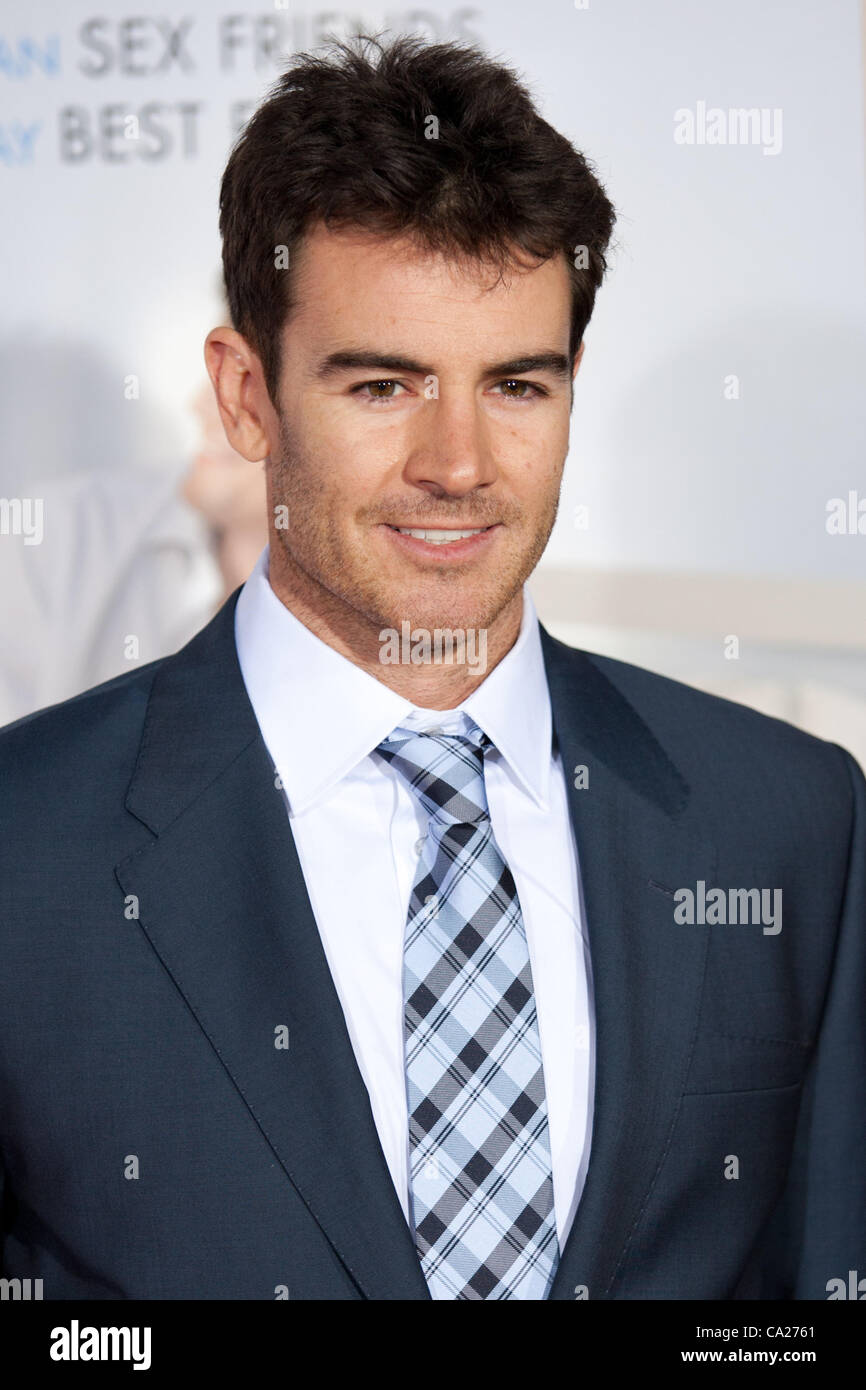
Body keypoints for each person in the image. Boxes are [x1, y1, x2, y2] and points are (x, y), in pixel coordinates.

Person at [0, 33, 863, 1303]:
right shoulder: (26, 845)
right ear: (247, 397)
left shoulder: (786, 822)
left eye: (516, 384)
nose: (457, 463)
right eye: (384, 384)